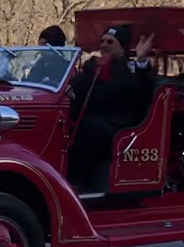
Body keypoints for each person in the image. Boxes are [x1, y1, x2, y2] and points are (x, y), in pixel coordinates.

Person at [66, 24, 156, 191]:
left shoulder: (130, 71)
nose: (104, 45)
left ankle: (78, 181)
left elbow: (143, 93)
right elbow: (77, 87)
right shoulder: (93, 67)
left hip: (119, 125)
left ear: (121, 47)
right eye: (102, 41)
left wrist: (142, 60)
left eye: (110, 42)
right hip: (91, 121)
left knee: (91, 129)